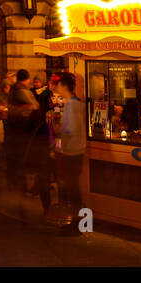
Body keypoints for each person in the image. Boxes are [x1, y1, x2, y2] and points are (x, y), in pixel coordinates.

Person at [54, 72, 87, 234]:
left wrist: (59, 129)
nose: (56, 88)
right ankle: (79, 222)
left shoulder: (71, 106)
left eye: (59, 85)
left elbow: (70, 129)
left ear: (65, 87)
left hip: (72, 152)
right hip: (76, 150)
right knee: (73, 188)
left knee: (72, 189)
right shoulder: (75, 103)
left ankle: (78, 224)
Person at [5, 69, 38, 192]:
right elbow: (35, 106)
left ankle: (12, 185)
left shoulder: (12, 90)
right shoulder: (23, 91)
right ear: (27, 79)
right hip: (22, 129)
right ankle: (21, 186)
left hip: (12, 129)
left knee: (13, 160)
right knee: (21, 159)